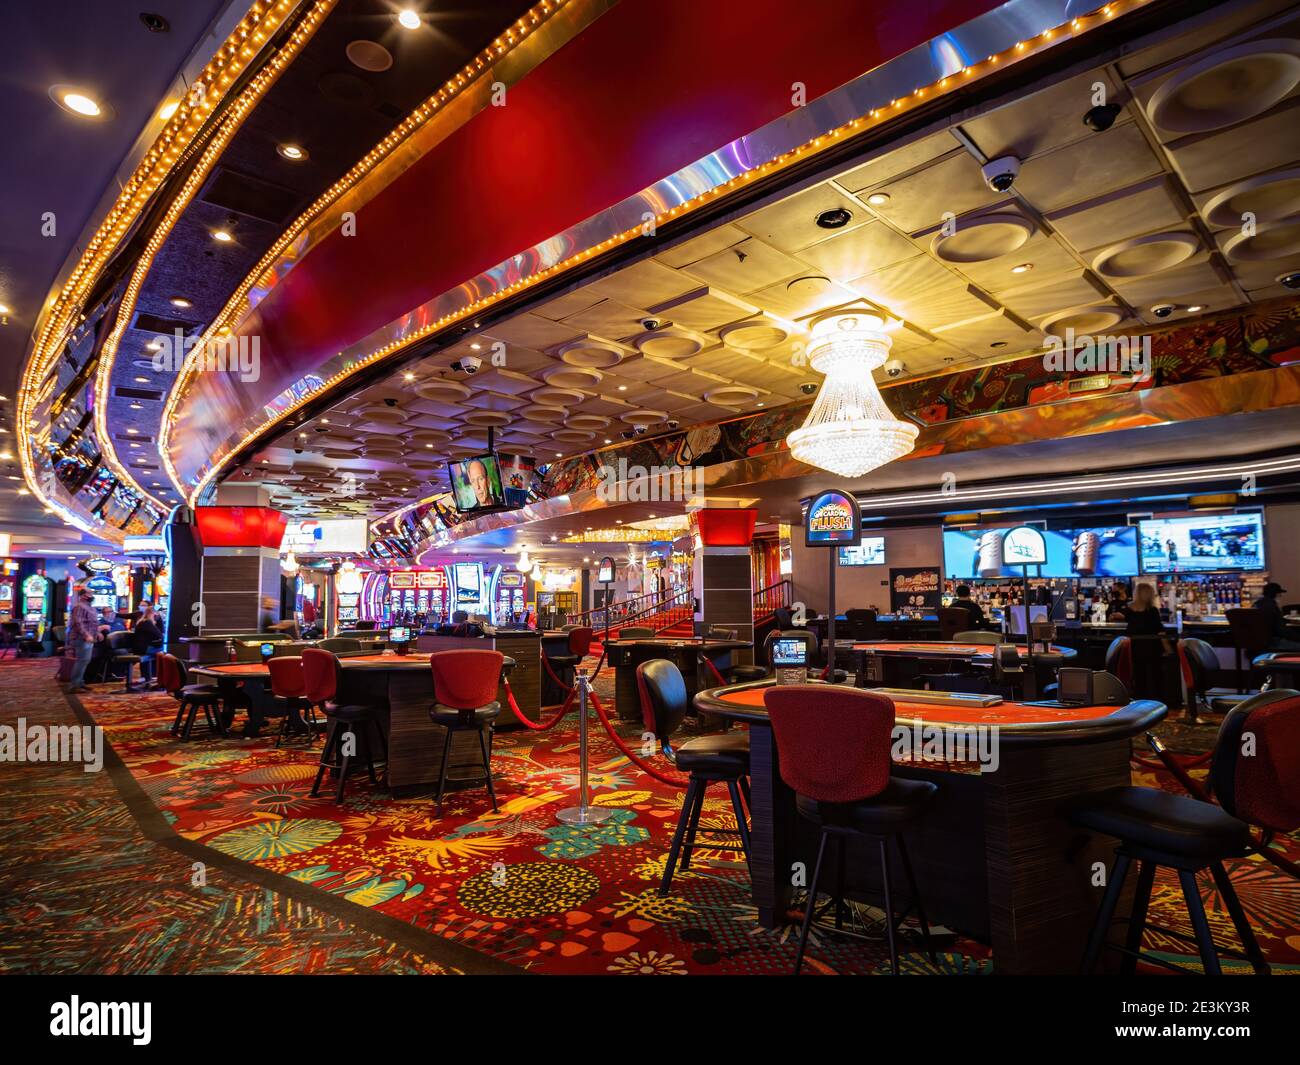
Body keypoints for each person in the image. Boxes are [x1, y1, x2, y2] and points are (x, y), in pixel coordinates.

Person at [1125, 582, 1168, 699]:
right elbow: (1160, 631)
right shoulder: (1152, 611)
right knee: (1155, 676)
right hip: (1152, 648)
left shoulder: (1128, 610)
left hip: (1134, 648)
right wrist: (1168, 648)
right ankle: (1157, 699)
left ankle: (1139, 699)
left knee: (1139, 676)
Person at [65, 586, 101, 693]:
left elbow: (92, 623)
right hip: (81, 637)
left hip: (89, 637)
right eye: (89, 594)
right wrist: (86, 635)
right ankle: (74, 685)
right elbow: (78, 623)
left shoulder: (90, 607)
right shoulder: (79, 606)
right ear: (83, 596)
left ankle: (80, 682)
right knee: (82, 660)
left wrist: (97, 632)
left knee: (85, 660)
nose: (92, 596)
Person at [1254, 581, 1300, 651]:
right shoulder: (1272, 606)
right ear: (1275, 594)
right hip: (1273, 642)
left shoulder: (1257, 604)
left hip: (1257, 642)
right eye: (1279, 594)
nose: (1280, 596)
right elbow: (1282, 631)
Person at [132, 603, 165, 687]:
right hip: (142, 648)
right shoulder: (146, 623)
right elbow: (159, 635)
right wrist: (159, 619)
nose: (156, 616)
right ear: (152, 614)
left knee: (162, 651)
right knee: (164, 652)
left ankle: (154, 677)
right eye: (156, 614)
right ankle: (160, 678)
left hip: (142, 647)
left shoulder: (144, 621)